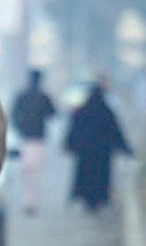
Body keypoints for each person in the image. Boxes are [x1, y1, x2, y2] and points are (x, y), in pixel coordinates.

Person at [65, 77, 133, 213]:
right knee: (100, 178)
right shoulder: (106, 111)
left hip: (85, 153)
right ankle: (97, 201)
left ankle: (87, 200)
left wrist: (70, 145)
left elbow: (74, 129)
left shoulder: (83, 110)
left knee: (87, 176)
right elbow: (115, 131)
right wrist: (126, 148)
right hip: (102, 153)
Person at [10, 69, 56, 215]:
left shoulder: (21, 96)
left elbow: (13, 113)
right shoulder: (44, 97)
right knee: (36, 172)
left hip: (24, 138)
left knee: (26, 171)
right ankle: (32, 201)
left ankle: (27, 201)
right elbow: (53, 113)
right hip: (39, 138)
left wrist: (20, 125)